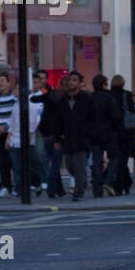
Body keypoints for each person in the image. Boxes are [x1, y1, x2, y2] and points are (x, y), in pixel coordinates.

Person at [52, 70, 94, 200]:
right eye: (70, 80)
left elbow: (93, 118)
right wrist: (57, 139)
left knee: (79, 166)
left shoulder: (86, 99)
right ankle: (82, 180)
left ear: (80, 83)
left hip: (81, 138)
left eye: (74, 80)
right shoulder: (62, 100)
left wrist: (88, 133)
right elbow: (57, 121)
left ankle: (78, 192)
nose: (71, 82)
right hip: (68, 138)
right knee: (70, 166)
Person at [6, 71, 46, 197]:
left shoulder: (32, 105)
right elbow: (12, 123)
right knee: (17, 165)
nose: (15, 91)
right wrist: (8, 138)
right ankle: (19, 188)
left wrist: (29, 136)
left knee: (29, 165)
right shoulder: (15, 105)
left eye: (17, 89)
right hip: (14, 139)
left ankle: (36, 183)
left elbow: (34, 122)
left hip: (27, 139)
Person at [88, 72, 123, 198]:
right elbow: (116, 117)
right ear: (103, 85)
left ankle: (97, 189)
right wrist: (114, 128)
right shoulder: (109, 98)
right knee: (114, 157)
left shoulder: (90, 98)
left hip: (94, 134)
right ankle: (107, 181)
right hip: (108, 133)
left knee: (97, 162)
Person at [109, 74, 135, 194]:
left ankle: (121, 183)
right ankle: (123, 183)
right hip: (126, 132)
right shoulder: (127, 95)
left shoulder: (109, 95)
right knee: (123, 159)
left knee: (116, 159)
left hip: (113, 132)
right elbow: (132, 112)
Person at [38, 73, 67, 197]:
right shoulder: (64, 100)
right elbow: (62, 120)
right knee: (55, 163)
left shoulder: (50, 95)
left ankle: (60, 190)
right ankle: (51, 189)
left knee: (54, 161)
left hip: (45, 133)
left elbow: (35, 99)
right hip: (56, 135)